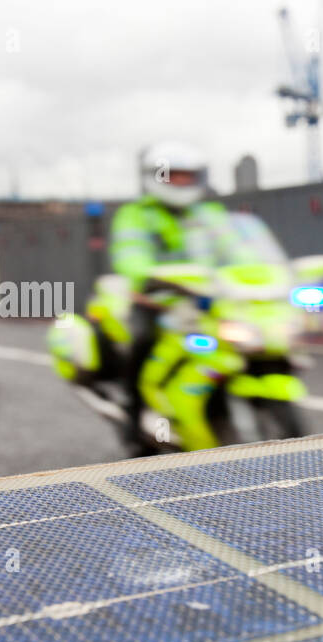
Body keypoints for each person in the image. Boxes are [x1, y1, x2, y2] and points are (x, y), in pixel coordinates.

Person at [108, 141, 252, 444]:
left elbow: (239, 251)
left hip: (207, 304)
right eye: (174, 176)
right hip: (157, 304)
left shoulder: (209, 214)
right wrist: (147, 275)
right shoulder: (136, 215)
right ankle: (135, 424)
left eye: (188, 176)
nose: (182, 182)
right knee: (142, 345)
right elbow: (129, 254)